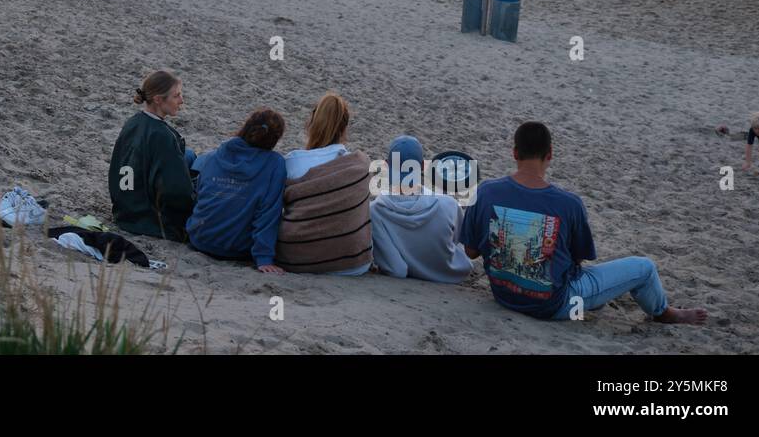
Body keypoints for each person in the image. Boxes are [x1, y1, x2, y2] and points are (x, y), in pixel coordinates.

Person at [459, 121, 707, 325]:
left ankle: (599, 298)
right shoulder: (568, 204)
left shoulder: (486, 191)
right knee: (644, 268)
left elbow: (470, 252)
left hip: (504, 295)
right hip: (553, 304)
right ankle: (664, 313)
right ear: (550, 155)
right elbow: (579, 259)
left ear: (514, 153)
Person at [276, 92, 373, 275]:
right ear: (344, 128)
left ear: (311, 124)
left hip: (296, 260)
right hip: (353, 265)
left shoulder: (292, 162)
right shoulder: (360, 164)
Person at [186, 108, 288, 274]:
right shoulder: (275, 164)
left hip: (199, 239)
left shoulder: (214, 155)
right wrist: (264, 258)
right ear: (274, 139)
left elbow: (200, 195)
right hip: (236, 249)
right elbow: (268, 213)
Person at [370, 135, 472, 283]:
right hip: (454, 274)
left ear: (386, 166)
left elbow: (397, 270)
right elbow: (458, 240)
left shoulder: (375, 211)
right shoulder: (449, 205)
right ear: (423, 166)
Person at [108, 70, 196, 241]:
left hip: (124, 210)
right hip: (149, 220)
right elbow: (177, 192)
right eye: (176, 96)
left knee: (189, 156)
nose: (181, 101)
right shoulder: (163, 136)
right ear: (158, 99)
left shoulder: (132, 123)